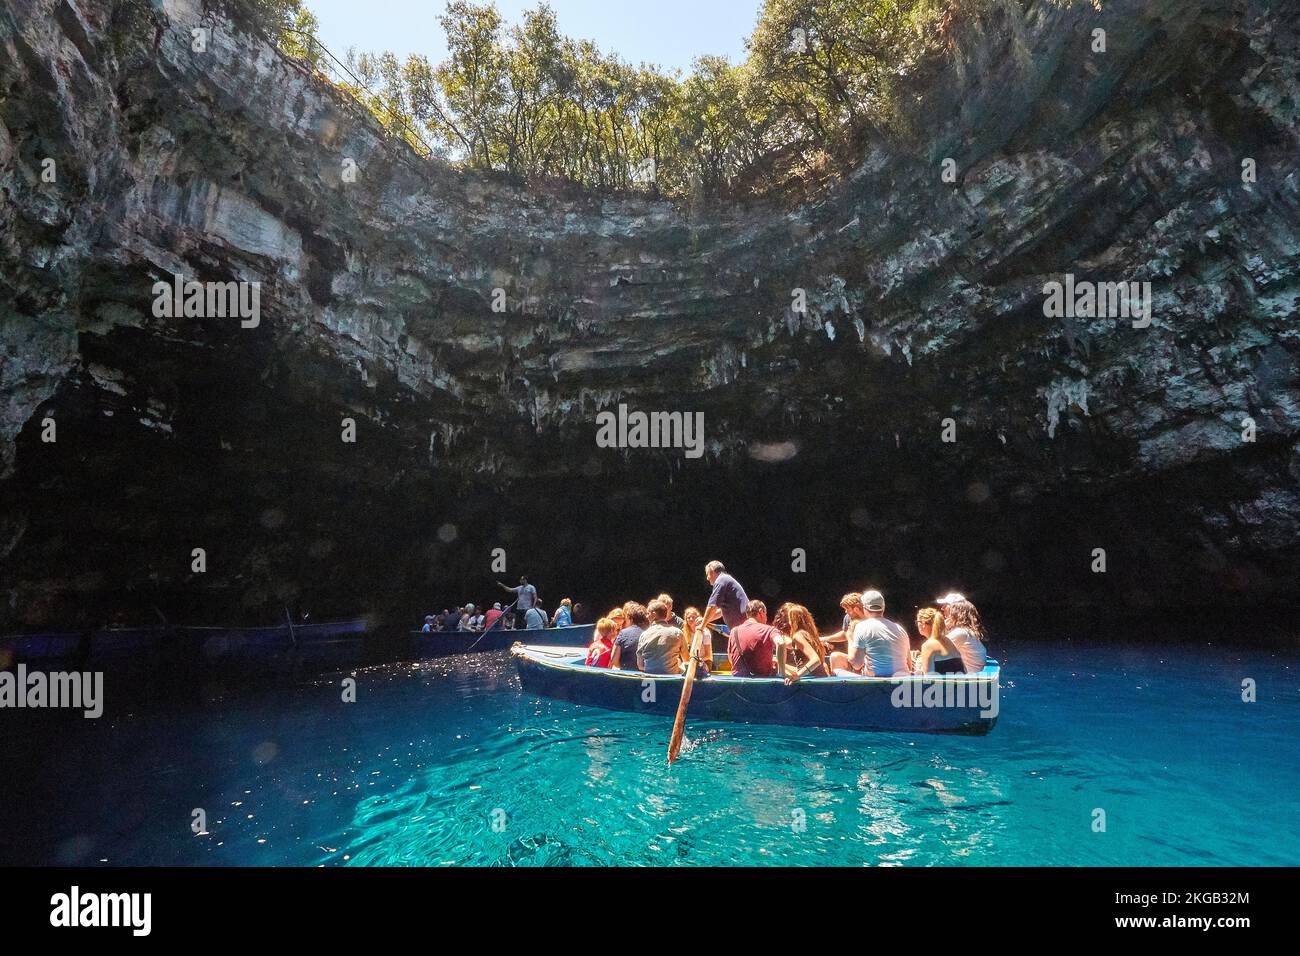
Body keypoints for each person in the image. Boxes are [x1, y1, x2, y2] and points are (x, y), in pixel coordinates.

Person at [831, 590, 910, 677]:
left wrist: (849, 637)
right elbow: (909, 664)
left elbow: (856, 664)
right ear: (883, 608)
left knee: (836, 671)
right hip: (903, 680)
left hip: (877, 683)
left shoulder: (862, 627)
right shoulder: (900, 629)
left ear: (864, 608)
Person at [772, 603, 828, 682]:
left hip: (812, 682)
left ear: (793, 621)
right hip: (821, 679)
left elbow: (816, 660)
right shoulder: (809, 635)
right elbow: (803, 667)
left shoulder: (798, 636)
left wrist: (797, 675)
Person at [935, 593, 989, 673]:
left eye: (945, 605)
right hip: (971, 676)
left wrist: (940, 628)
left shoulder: (961, 633)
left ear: (954, 609)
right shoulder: (966, 631)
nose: (942, 608)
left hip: (968, 681)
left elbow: (933, 651)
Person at [728, 599, 779, 677]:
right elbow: (781, 643)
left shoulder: (734, 631)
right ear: (761, 612)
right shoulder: (769, 630)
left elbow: (730, 658)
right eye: (766, 614)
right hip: (762, 682)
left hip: (738, 682)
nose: (766, 618)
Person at [637, 600, 689, 674]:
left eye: (648, 613)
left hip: (650, 677)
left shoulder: (644, 634)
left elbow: (640, 665)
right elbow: (687, 661)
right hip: (672, 677)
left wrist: (654, 667)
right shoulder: (677, 633)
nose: (647, 616)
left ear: (654, 614)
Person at [914, 607, 964, 674]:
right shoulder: (947, 640)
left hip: (944, 684)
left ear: (923, 624)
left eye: (917, 622)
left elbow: (928, 679)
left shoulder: (928, 645)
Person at [704, 561, 749, 630]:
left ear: (712, 571)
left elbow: (712, 607)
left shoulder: (720, 580)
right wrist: (705, 620)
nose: (707, 578)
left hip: (742, 627)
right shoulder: (726, 579)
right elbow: (721, 612)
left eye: (707, 574)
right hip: (744, 625)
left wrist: (702, 626)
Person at [609, 603, 649, 670]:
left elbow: (614, 660)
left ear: (631, 619)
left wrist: (623, 666)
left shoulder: (623, 633)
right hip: (645, 675)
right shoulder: (650, 633)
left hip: (626, 674)